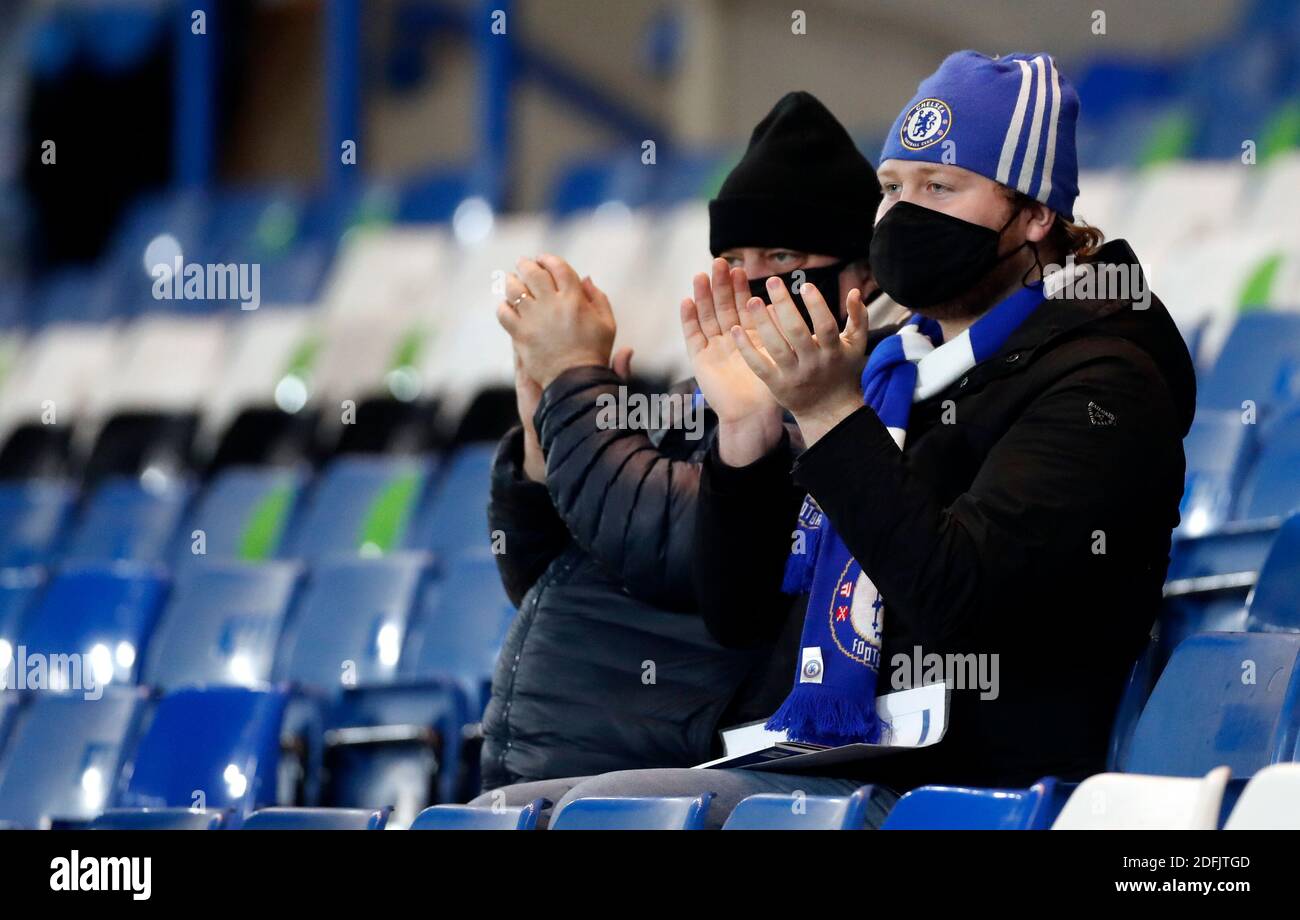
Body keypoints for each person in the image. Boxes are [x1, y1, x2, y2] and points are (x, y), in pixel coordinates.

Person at [500, 50, 1196, 829]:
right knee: (501, 812)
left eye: (940, 187)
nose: (904, 213)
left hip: (965, 788)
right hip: (815, 757)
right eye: (893, 188)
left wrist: (832, 416)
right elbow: (738, 612)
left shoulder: (1102, 383)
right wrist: (747, 435)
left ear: (1034, 214)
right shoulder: (898, 363)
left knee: (603, 816)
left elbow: (960, 601)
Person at [474, 92, 898, 806]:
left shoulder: (866, 403)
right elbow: (544, 571)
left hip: (668, 771)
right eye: (732, 258)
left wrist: (575, 384)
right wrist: (543, 440)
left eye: (784, 255)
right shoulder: (701, 391)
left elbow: (677, 544)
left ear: (860, 277)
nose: (752, 280)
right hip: (565, 764)